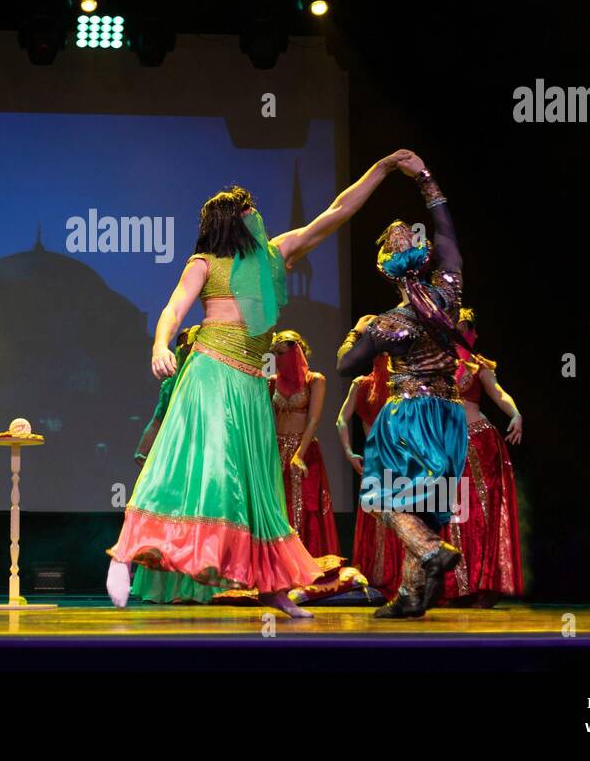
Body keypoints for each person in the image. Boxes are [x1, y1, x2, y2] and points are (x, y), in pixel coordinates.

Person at [107, 150, 417, 618]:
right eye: (250, 210)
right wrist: (160, 344)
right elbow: (173, 307)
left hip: (254, 384)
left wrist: (383, 169)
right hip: (211, 372)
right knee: (196, 469)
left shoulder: (278, 254)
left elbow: (336, 213)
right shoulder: (205, 263)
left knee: (258, 488)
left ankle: (272, 588)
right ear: (232, 221)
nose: (259, 215)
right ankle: (124, 555)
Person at [336, 155, 469, 618]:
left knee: (385, 497)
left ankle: (431, 551)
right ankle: (412, 596)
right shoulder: (449, 294)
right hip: (449, 416)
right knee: (427, 501)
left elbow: (344, 366)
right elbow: (448, 234)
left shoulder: (392, 322)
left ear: (387, 270)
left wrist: (359, 331)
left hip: (408, 416)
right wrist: (426, 180)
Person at [442, 307, 524, 607]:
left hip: (480, 441)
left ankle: (486, 584)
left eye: (465, 328)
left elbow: (499, 394)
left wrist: (515, 414)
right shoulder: (435, 366)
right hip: (448, 447)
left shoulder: (479, 367)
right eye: (455, 327)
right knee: (452, 514)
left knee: (483, 516)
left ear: (473, 333)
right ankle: (455, 585)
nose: (460, 333)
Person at [130, 326, 216, 603]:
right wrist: (143, 451)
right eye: (183, 347)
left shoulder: (212, 383)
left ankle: (199, 585)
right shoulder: (171, 384)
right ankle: (173, 587)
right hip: (174, 456)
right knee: (171, 518)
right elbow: (158, 420)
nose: (184, 351)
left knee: (199, 516)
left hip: (203, 456)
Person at [337, 353, 404, 600]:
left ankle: (401, 580)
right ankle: (381, 579)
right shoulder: (362, 384)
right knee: (381, 521)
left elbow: (341, 421)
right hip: (379, 460)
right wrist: (348, 452)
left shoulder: (401, 383)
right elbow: (341, 420)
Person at [269, 330, 340, 557]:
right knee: (277, 504)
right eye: (275, 354)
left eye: (282, 353)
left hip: (304, 447)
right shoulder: (271, 381)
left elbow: (313, 420)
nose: (278, 358)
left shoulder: (315, 380)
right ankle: (279, 561)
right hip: (276, 449)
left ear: (296, 351)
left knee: (304, 505)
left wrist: (299, 453)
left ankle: (306, 558)